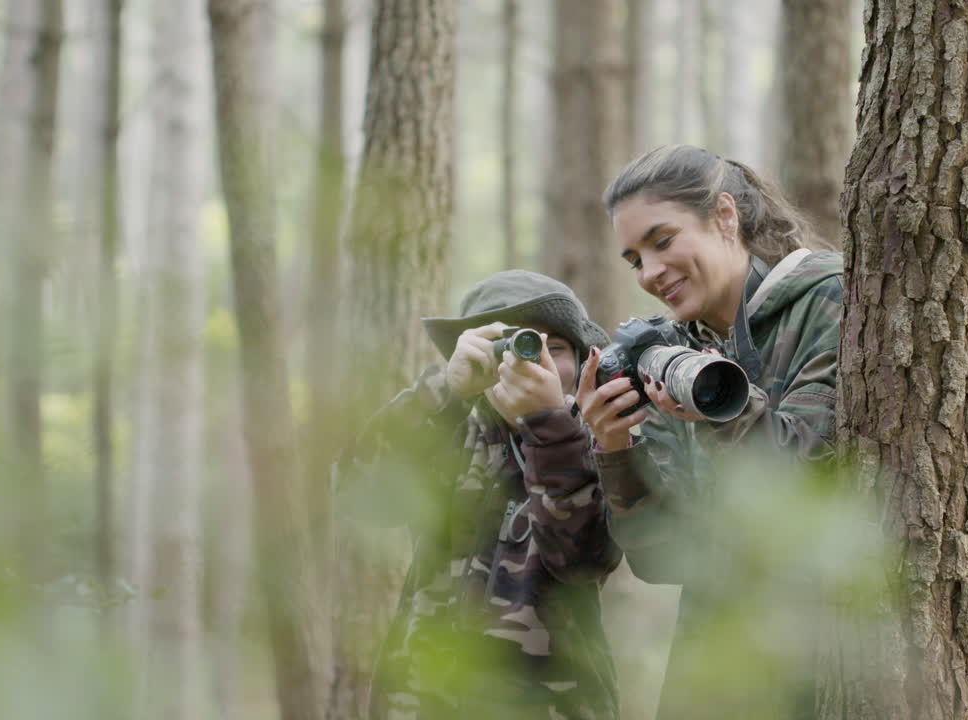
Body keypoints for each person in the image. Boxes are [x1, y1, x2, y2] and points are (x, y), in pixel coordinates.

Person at [575, 145, 847, 717]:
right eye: (634, 259)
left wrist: (723, 409)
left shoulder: (828, 299)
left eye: (662, 241)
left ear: (725, 215)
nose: (650, 273)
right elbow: (664, 559)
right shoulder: (674, 357)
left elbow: (812, 486)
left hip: (816, 667)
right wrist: (616, 448)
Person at [338, 270, 622, 719]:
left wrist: (549, 426)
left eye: (555, 348)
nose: (533, 359)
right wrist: (445, 390)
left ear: (581, 363)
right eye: (513, 344)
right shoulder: (446, 433)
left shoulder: (603, 441)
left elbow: (583, 558)